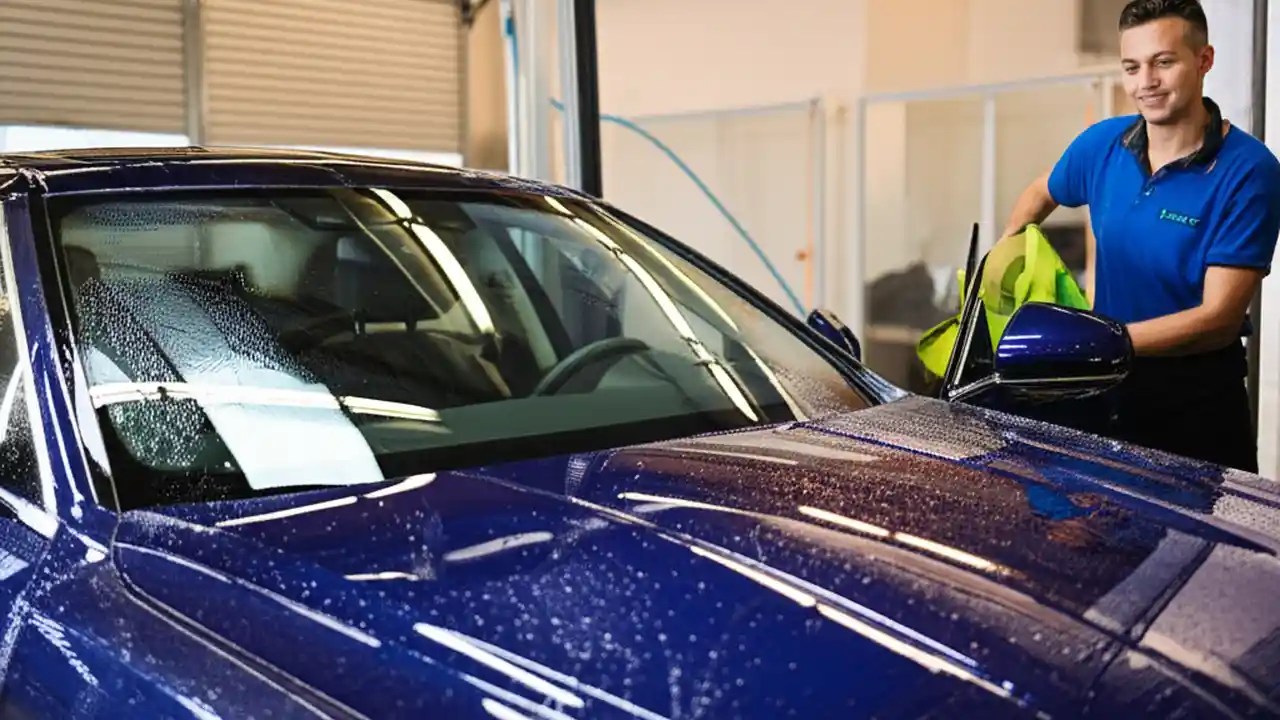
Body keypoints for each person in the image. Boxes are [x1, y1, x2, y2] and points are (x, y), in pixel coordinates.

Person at [1001, 0, 1280, 473]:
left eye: (1163, 62)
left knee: (1198, 523)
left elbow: (1219, 318)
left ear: (1204, 60)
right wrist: (1004, 266)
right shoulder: (1102, 145)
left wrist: (1100, 339)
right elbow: (1041, 192)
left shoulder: (1250, 172)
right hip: (1105, 387)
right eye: (1132, 67)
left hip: (1196, 405)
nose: (1145, 82)